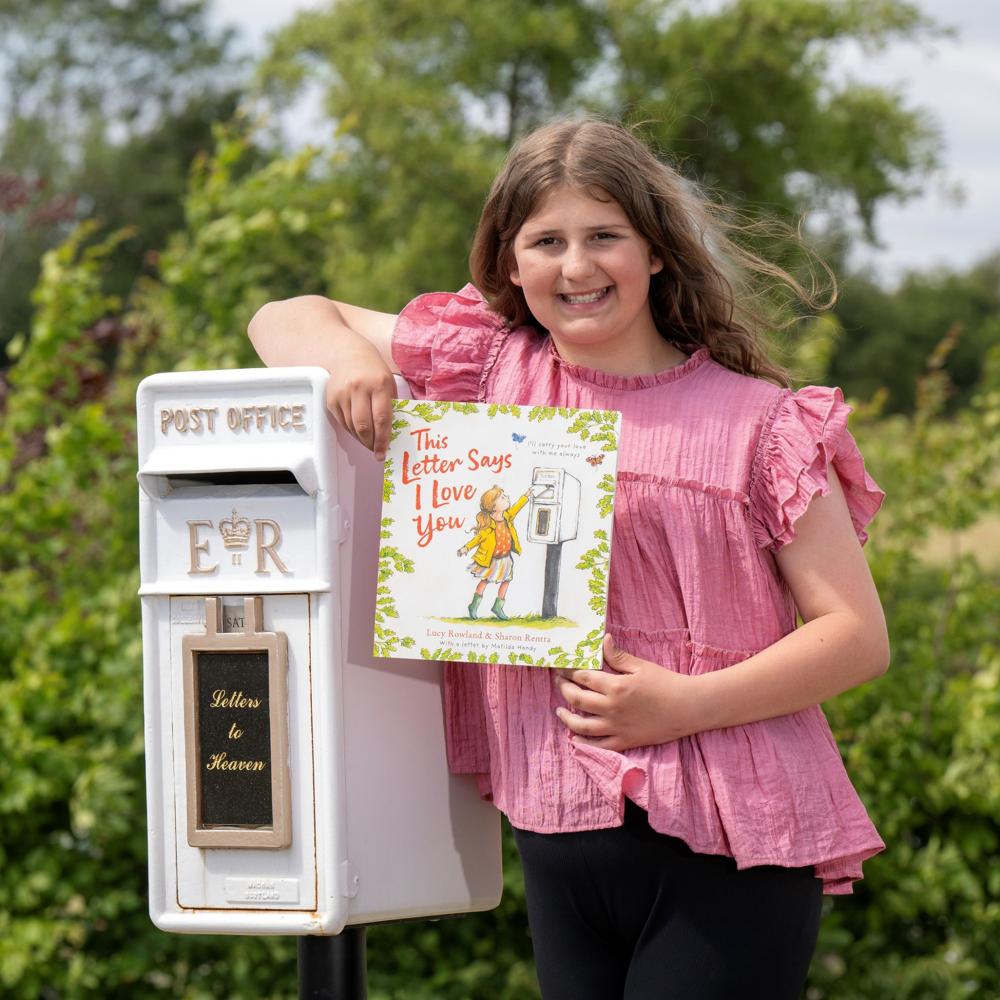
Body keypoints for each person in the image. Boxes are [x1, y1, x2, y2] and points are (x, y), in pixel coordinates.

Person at [248, 116, 890, 1000]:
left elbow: (857, 636)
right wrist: (344, 359)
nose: (576, 267)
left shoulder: (762, 424)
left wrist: (683, 705)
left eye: (604, 237)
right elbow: (281, 317)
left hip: (734, 847)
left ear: (656, 251)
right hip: (555, 838)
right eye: (546, 241)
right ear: (510, 264)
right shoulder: (486, 372)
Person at [458, 484, 533, 620]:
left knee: (506, 581)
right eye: (502, 497)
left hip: (505, 559)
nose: (507, 498)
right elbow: (478, 539)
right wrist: (466, 547)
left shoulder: (507, 516)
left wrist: (526, 496)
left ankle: (498, 607)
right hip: (491, 560)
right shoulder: (488, 525)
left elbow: (516, 507)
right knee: (485, 580)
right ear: (493, 505)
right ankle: (473, 606)